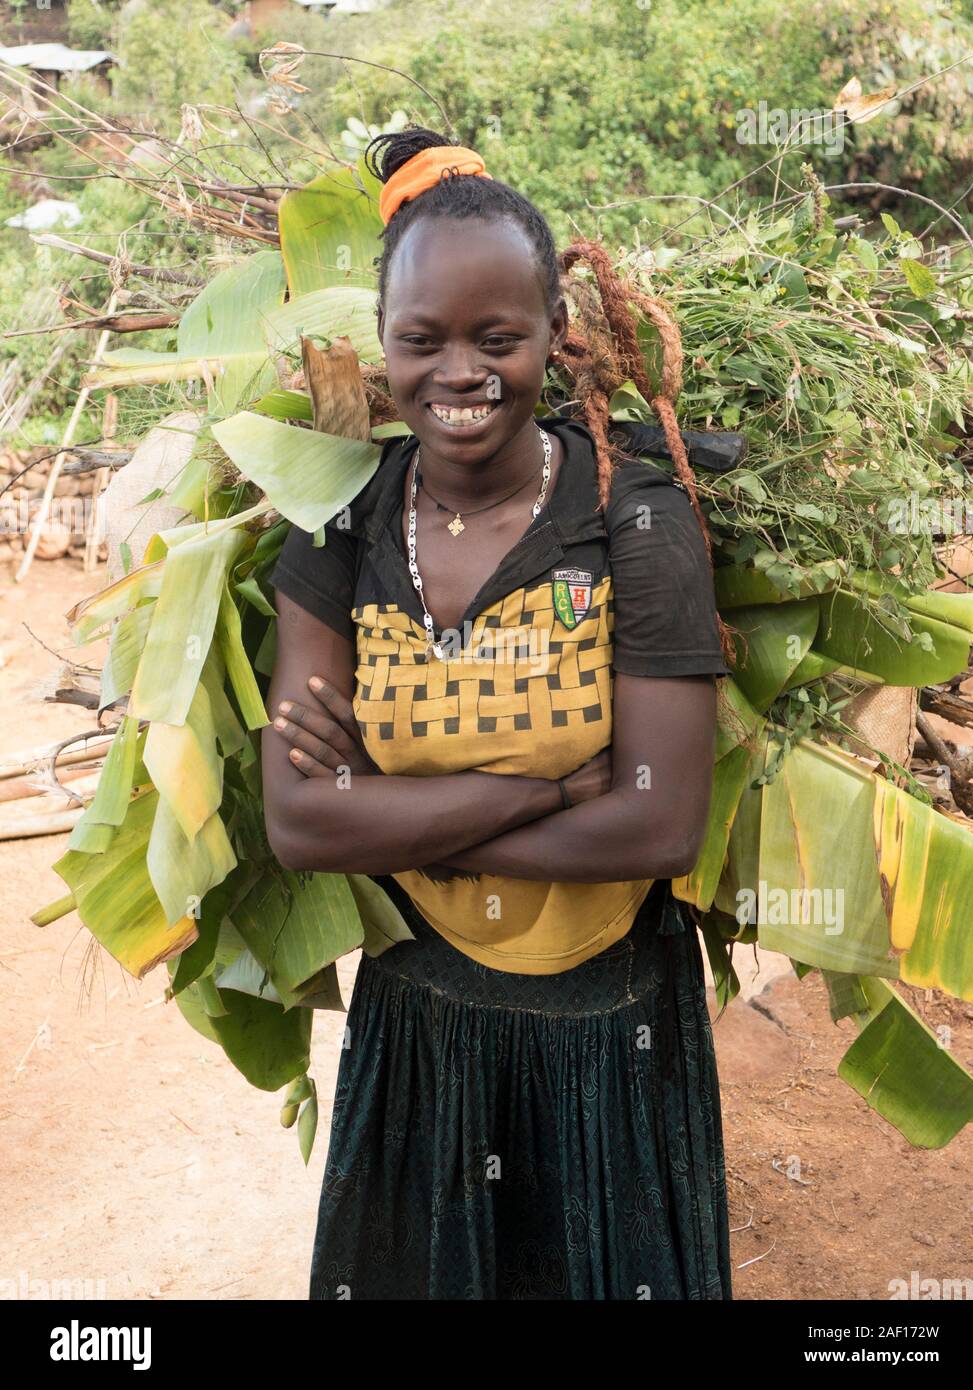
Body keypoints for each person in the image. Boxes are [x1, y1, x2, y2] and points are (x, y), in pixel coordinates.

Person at [261, 126, 733, 1300]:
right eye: (421, 340)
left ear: (551, 336)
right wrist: (551, 786)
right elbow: (303, 826)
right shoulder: (338, 526)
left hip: (605, 1030)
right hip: (423, 1023)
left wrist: (402, 813)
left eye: (497, 338)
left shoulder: (634, 518)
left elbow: (658, 825)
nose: (458, 373)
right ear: (384, 343)